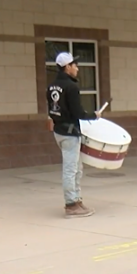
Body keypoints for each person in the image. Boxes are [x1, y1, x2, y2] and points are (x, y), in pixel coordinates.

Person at [46, 52, 100, 218]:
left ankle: (77, 200)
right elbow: (78, 112)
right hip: (70, 133)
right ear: (67, 67)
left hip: (60, 131)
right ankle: (71, 204)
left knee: (77, 168)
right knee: (71, 169)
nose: (77, 68)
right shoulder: (71, 87)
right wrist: (94, 115)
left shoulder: (51, 86)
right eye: (74, 65)